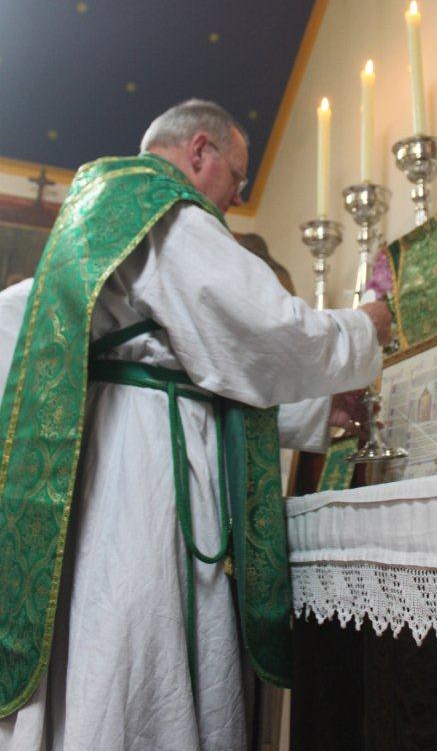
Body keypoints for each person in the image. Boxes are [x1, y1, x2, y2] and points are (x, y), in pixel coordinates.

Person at [0, 99, 391, 751]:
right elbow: (265, 332)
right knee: (144, 663)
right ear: (199, 152)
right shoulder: (166, 211)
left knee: (103, 664)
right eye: (237, 177)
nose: (235, 199)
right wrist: (365, 328)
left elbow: (185, 362)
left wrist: (321, 412)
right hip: (148, 483)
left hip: (109, 471)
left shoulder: (95, 212)